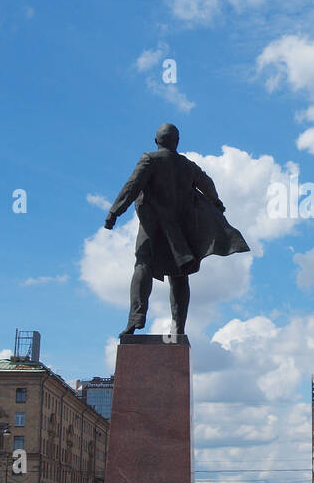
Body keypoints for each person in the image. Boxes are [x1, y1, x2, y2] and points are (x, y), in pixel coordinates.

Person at [103, 123, 251, 336]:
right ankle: (178, 327)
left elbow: (131, 187)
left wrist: (114, 213)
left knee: (143, 264)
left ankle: (136, 319)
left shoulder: (150, 160)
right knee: (180, 275)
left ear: (156, 141)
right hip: (179, 230)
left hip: (153, 227)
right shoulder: (187, 166)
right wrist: (216, 203)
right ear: (177, 142)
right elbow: (207, 183)